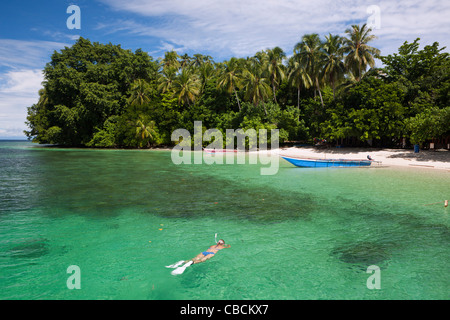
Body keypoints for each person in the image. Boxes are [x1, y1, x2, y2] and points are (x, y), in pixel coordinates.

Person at [166, 239, 231, 274]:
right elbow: (229, 246)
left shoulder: (212, 245)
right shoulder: (222, 247)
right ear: (222, 243)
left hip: (205, 252)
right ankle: (192, 263)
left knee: (195, 258)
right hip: (211, 253)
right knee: (202, 260)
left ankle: (183, 262)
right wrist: (226, 245)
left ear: (217, 242)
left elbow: (214, 245)